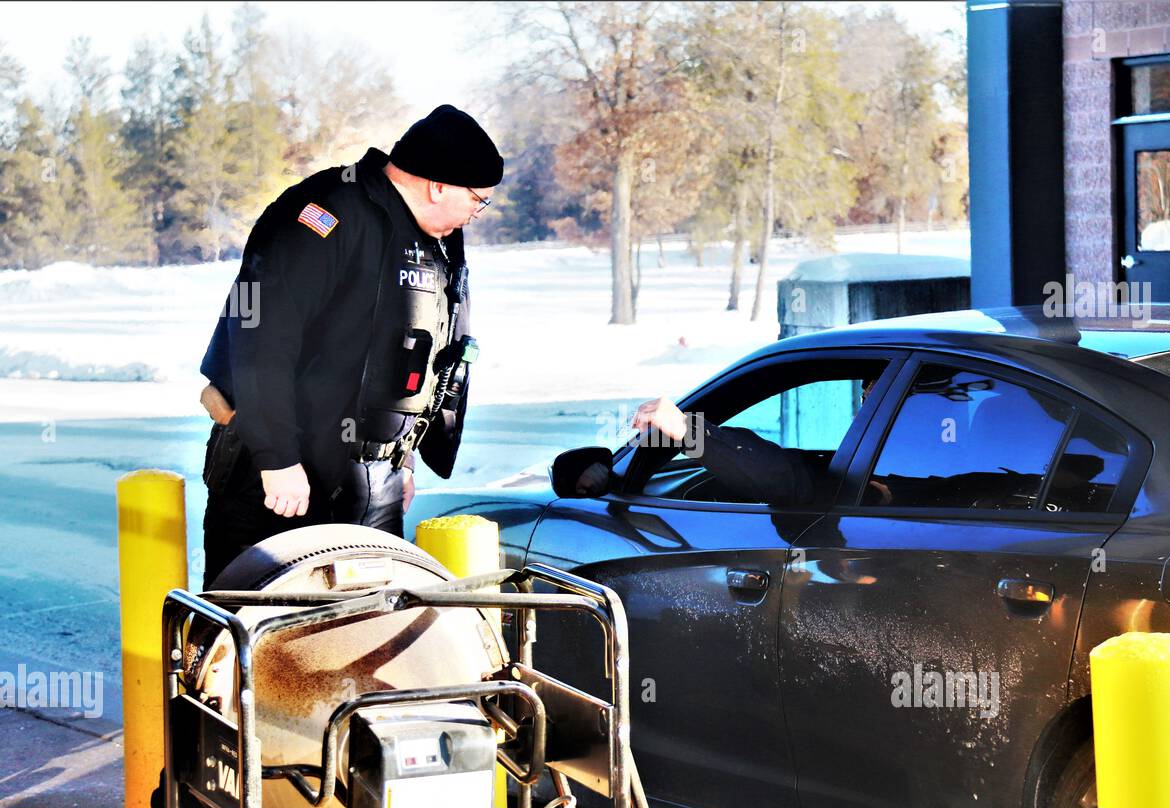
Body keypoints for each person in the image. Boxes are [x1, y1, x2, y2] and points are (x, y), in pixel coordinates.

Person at [196, 104, 502, 589]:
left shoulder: (436, 238)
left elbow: (422, 359)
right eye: (477, 200)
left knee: (365, 643)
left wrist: (401, 460)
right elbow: (258, 336)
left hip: (372, 485)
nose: (476, 213)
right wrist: (276, 459)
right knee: (257, 636)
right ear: (438, 184)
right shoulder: (326, 211)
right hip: (285, 480)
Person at [577, 384, 891, 506]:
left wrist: (689, 431)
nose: (866, 411)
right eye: (866, 399)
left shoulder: (882, 487)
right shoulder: (913, 466)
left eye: (874, 397)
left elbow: (788, 481)